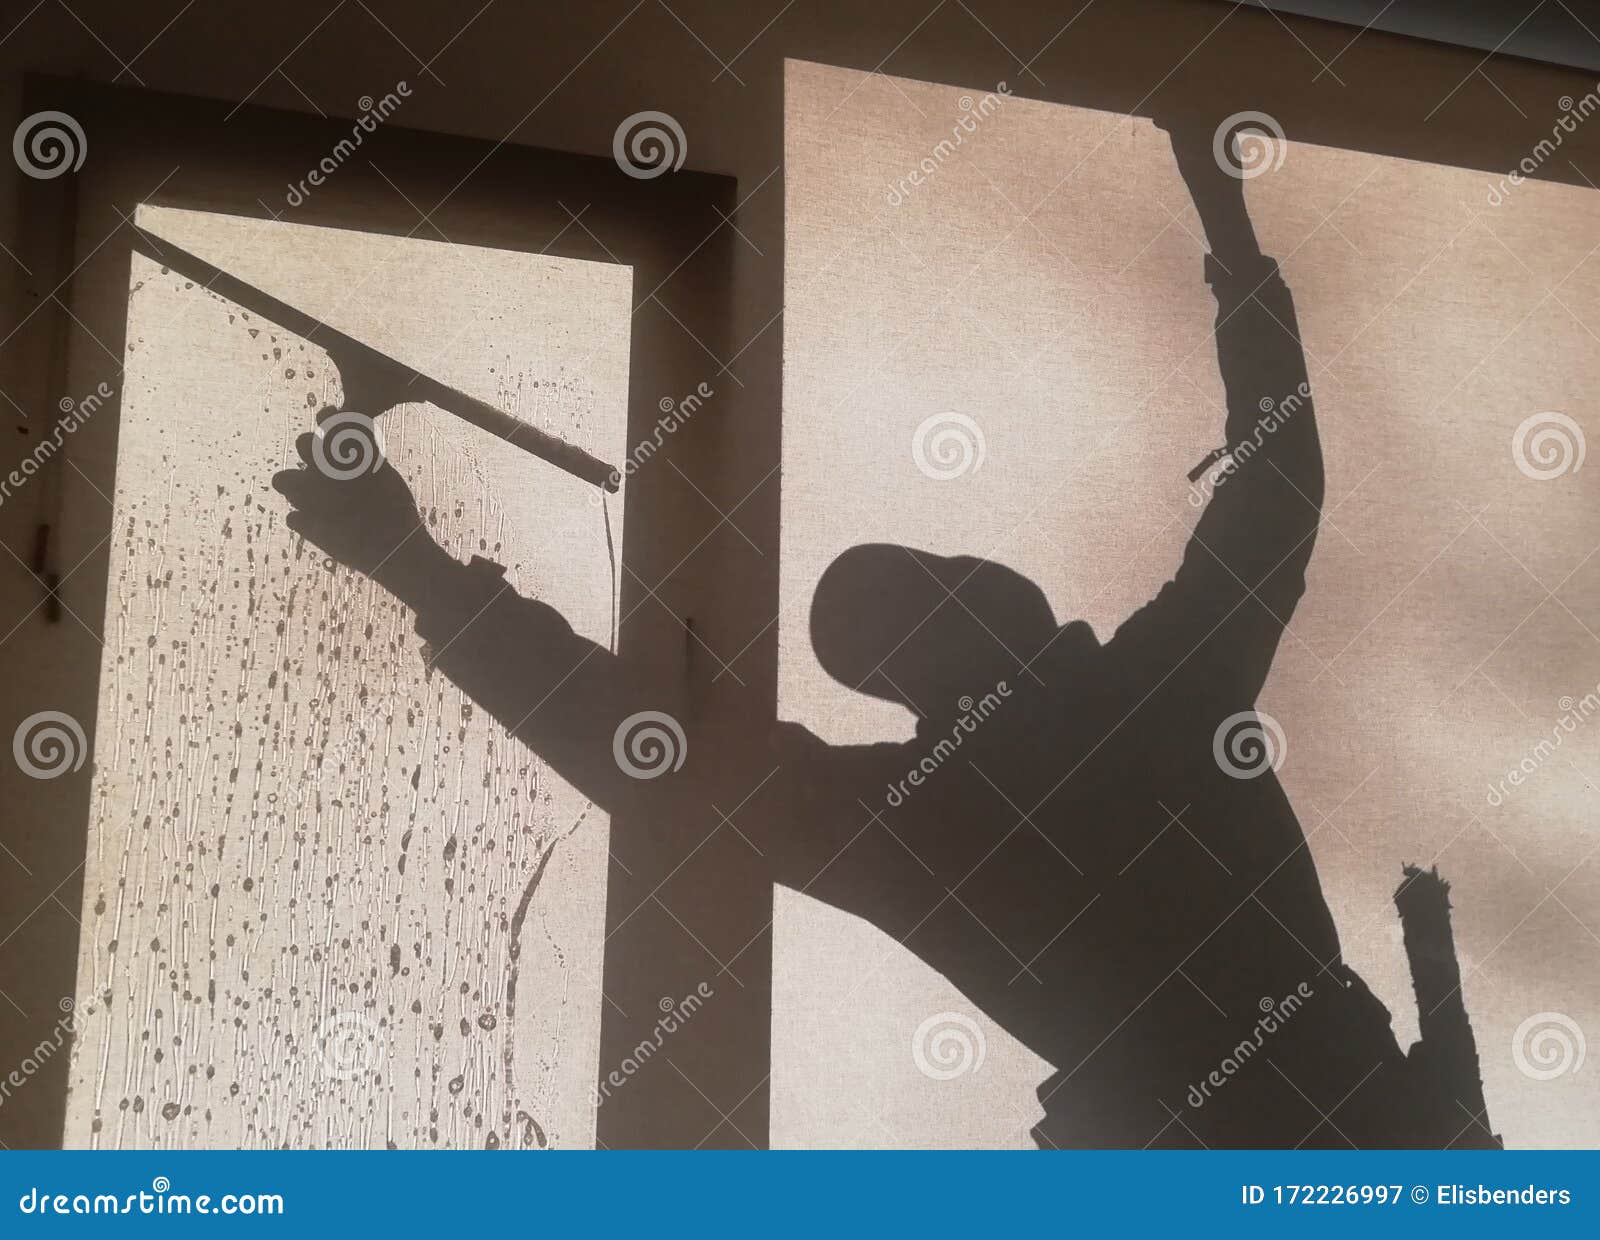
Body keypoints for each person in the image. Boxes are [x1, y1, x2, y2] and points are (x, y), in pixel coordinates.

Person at [274, 118, 1493, 1148]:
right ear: (988, 610)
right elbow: (1279, 479)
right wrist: (1219, 210)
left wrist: (419, 569)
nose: (958, 579)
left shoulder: (930, 824)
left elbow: (651, 758)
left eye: (926, 578)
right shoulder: (1152, 690)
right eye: (935, 581)